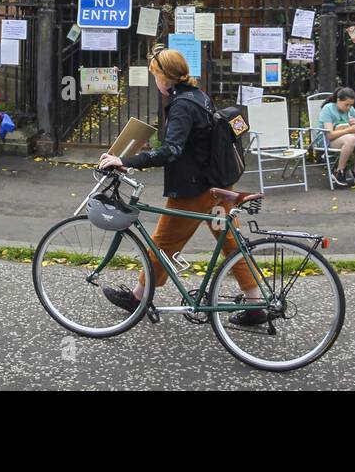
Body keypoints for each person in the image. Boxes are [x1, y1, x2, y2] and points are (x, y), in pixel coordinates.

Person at [97, 47, 264, 326]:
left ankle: (139, 298)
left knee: (163, 242)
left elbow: (171, 150)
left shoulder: (182, 105)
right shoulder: (197, 95)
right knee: (230, 243)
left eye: (155, 75)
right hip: (216, 185)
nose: (155, 81)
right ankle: (256, 302)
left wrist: (127, 161)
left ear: (163, 77)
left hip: (195, 190)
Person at [319, 87, 355, 188]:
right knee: (351, 138)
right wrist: (349, 129)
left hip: (346, 137)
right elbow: (330, 135)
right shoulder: (328, 109)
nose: (349, 108)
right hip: (327, 140)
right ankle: (339, 171)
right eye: (346, 104)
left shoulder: (351, 110)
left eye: (351, 105)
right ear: (338, 100)